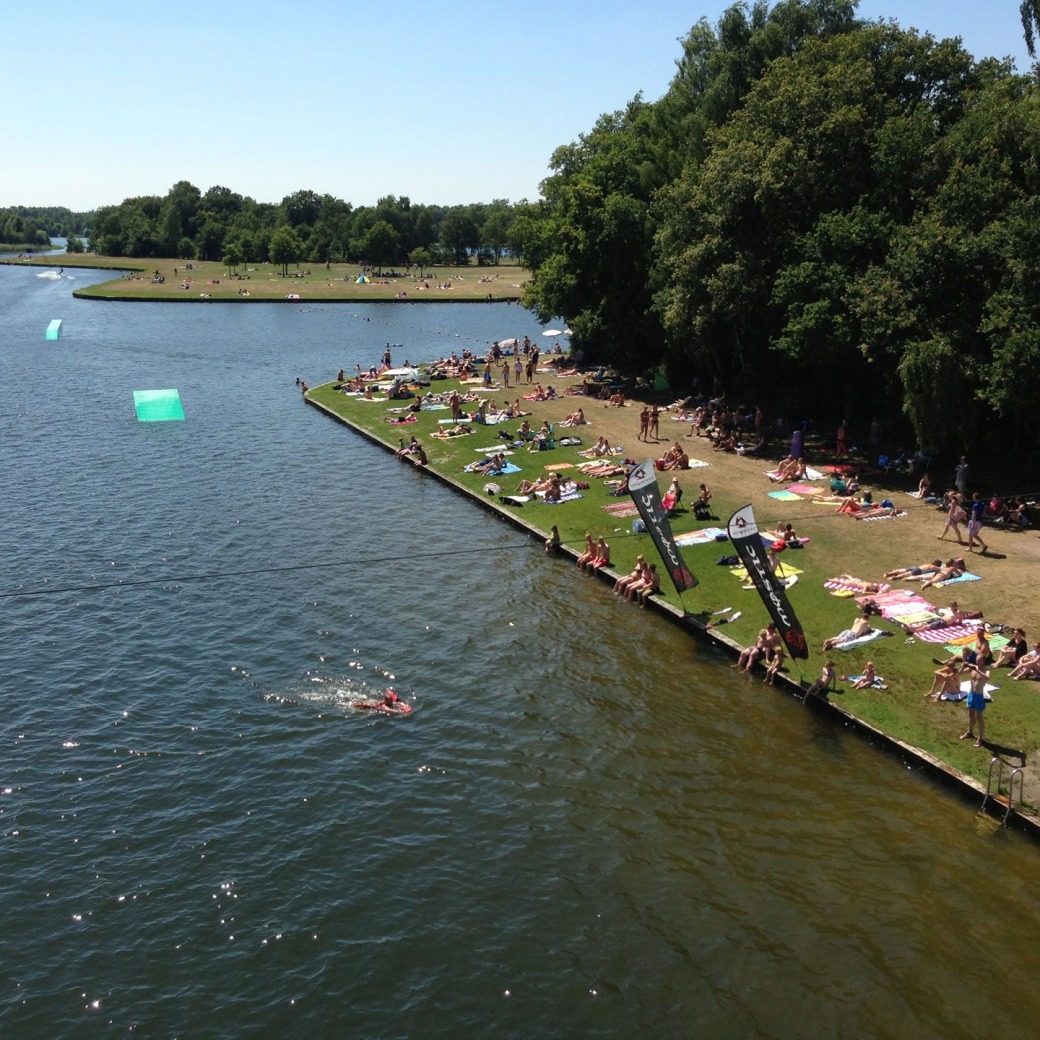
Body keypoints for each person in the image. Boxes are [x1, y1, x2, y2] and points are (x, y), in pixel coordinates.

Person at [960, 661, 988, 747]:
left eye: (980, 660)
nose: (978, 662)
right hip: (971, 694)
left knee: (979, 717)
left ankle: (980, 739)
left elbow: (987, 677)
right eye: (977, 660)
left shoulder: (985, 670)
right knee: (971, 714)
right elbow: (959, 673)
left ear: (983, 661)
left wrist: (977, 670)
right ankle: (970, 732)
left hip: (979, 696)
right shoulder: (972, 669)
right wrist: (962, 666)